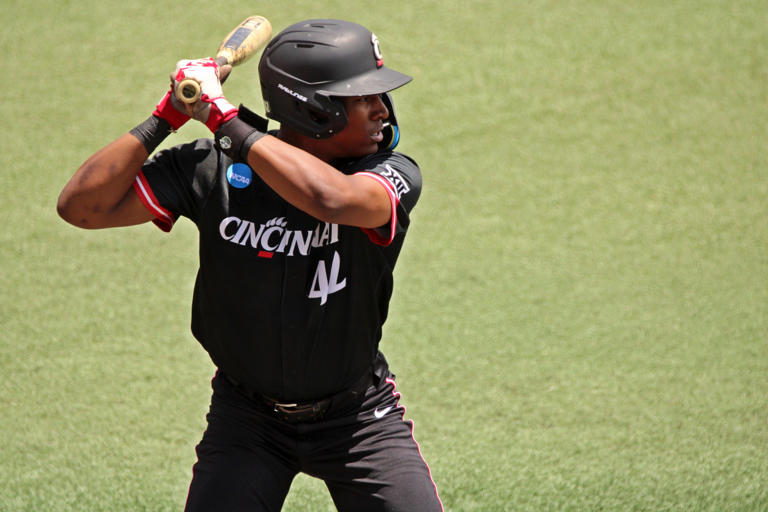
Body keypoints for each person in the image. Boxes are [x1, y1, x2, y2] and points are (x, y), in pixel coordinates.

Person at [57, 18, 443, 511]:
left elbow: (330, 198)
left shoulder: (387, 173)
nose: (381, 110)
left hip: (358, 417)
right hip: (248, 420)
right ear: (315, 110)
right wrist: (166, 116)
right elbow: (81, 207)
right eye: (361, 97)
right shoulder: (210, 168)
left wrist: (221, 117)